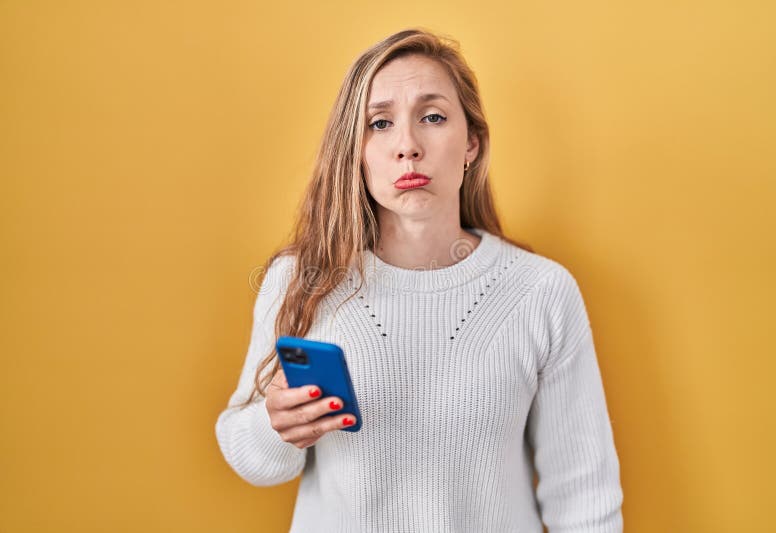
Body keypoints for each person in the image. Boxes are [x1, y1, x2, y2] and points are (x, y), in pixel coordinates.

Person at [215, 27, 623, 533]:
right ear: (356, 152)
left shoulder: (541, 291)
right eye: (380, 123)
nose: (407, 146)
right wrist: (275, 428)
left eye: (432, 117)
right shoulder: (302, 280)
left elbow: (584, 492)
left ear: (471, 143)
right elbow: (250, 457)